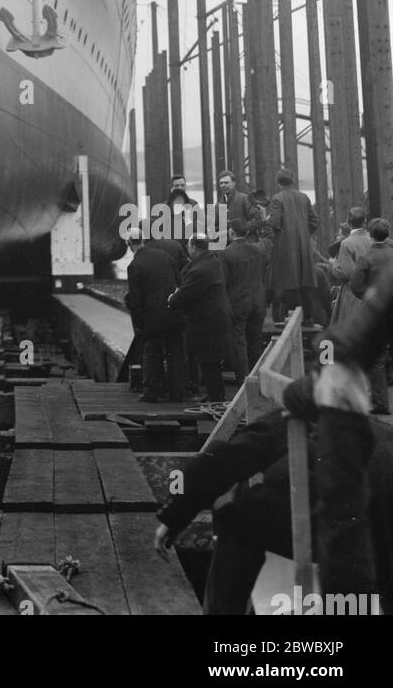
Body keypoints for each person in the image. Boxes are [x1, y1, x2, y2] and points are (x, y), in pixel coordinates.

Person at [153, 374, 393, 614]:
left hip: (321, 524)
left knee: (234, 518)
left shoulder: (290, 422)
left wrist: (173, 516)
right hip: (368, 540)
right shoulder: (384, 435)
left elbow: (218, 462)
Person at [167, 233, 233, 403]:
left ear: (195, 248)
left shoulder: (199, 270)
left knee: (208, 360)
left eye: (188, 245)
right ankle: (214, 394)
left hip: (207, 321)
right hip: (215, 317)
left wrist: (172, 299)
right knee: (210, 360)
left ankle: (216, 398)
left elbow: (187, 294)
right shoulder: (213, 261)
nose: (187, 248)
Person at [123, 228, 186, 402]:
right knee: (176, 354)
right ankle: (178, 393)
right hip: (174, 313)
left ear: (129, 244)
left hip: (153, 319)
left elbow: (136, 300)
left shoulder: (134, 265)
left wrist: (138, 325)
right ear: (143, 240)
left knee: (152, 354)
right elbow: (179, 282)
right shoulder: (164, 255)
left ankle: (152, 392)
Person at [350, 218, 393, 416]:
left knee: (377, 357)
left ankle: (381, 402)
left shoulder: (366, 259)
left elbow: (356, 286)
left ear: (370, 234)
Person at [221, 220, 269, 385]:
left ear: (231, 232)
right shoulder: (258, 251)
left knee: (239, 342)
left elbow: (223, 282)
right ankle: (256, 377)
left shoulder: (226, 254)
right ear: (247, 233)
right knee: (255, 341)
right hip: (258, 302)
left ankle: (243, 378)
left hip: (237, 303)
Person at [266, 169, 318, 318]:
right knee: (305, 284)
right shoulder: (304, 197)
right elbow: (314, 222)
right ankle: (308, 319)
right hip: (304, 248)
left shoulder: (277, 199)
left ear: (278, 183)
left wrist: (265, 220)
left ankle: (284, 319)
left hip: (284, 248)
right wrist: (303, 235)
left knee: (284, 283)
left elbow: (274, 222)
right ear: (293, 181)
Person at [328, 206, 372, 328]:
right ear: (365, 221)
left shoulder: (347, 243)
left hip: (353, 295)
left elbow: (345, 273)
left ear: (348, 222)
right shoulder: (372, 240)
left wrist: (333, 265)